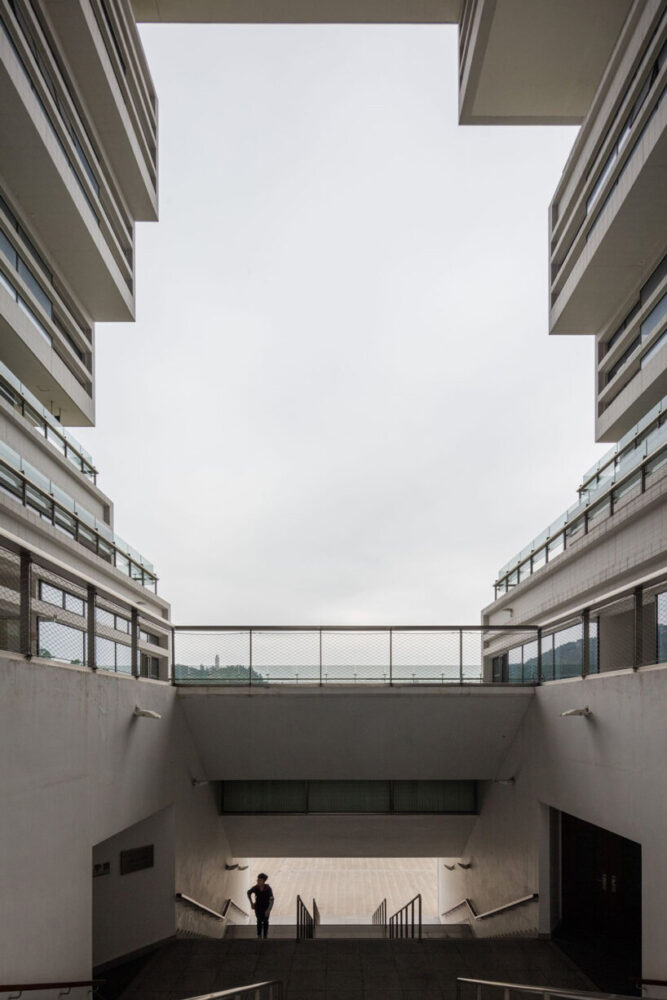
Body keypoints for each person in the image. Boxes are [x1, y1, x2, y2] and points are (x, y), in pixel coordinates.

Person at [247, 872, 274, 938]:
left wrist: (268, 910)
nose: (258, 881)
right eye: (258, 880)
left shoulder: (268, 889)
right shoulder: (255, 888)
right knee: (259, 920)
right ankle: (259, 935)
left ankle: (265, 935)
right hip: (258, 907)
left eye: (260, 880)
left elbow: (272, 900)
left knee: (265, 921)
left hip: (266, 907)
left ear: (263, 881)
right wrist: (251, 903)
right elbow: (248, 893)